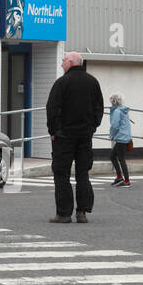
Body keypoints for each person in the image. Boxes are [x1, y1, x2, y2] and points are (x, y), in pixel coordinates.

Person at [46, 52, 103, 223]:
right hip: (85, 135)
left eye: (63, 61)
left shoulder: (62, 82)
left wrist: (53, 131)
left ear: (71, 63)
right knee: (82, 172)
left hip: (64, 136)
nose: (61, 64)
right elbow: (98, 107)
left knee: (61, 173)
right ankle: (82, 212)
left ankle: (63, 213)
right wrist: (92, 127)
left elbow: (52, 108)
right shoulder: (93, 82)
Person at [108, 93, 133, 187]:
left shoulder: (117, 112)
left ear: (114, 102)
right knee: (112, 156)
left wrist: (112, 135)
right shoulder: (123, 110)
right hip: (125, 137)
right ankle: (119, 177)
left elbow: (115, 126)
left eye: (111, 101)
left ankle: (126, 180)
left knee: (120, 158)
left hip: (121, 137)